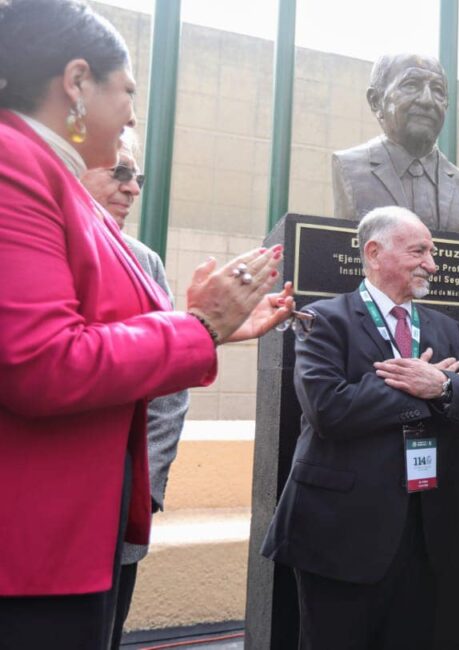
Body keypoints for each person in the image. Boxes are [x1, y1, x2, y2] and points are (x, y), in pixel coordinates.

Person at [0, 1, 293, 646]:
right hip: (30, 544)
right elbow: (40, 362)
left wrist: (214, 326)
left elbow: (103, 327)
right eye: (128, 89)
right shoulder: (14, 164)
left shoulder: (65, 185)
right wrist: (197, 327)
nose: (134, 112)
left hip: (79, 531)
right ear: (77, 83)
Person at [261, 206, 459, 649]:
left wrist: (443, 387)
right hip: (339, 536)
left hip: (424, 538)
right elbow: (328, 410)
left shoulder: (448, 330)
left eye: (432, 251)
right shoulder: (323, 320)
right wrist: (426, 389)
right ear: (374, 252)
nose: (432, 262)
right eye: (419, 251)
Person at [80, 132, 191, 648]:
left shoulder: (145, 262)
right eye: (119, 173)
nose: (132, 188)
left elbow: (169, 388)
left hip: (121, 500)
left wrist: (145, 486)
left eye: (138, 177)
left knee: (104, 630)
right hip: (42, 503)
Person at [331, 53, 459, 233]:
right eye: (411, 85)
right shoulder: (349, 167)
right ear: (376, 101)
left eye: (437, 90)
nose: (427, 100)